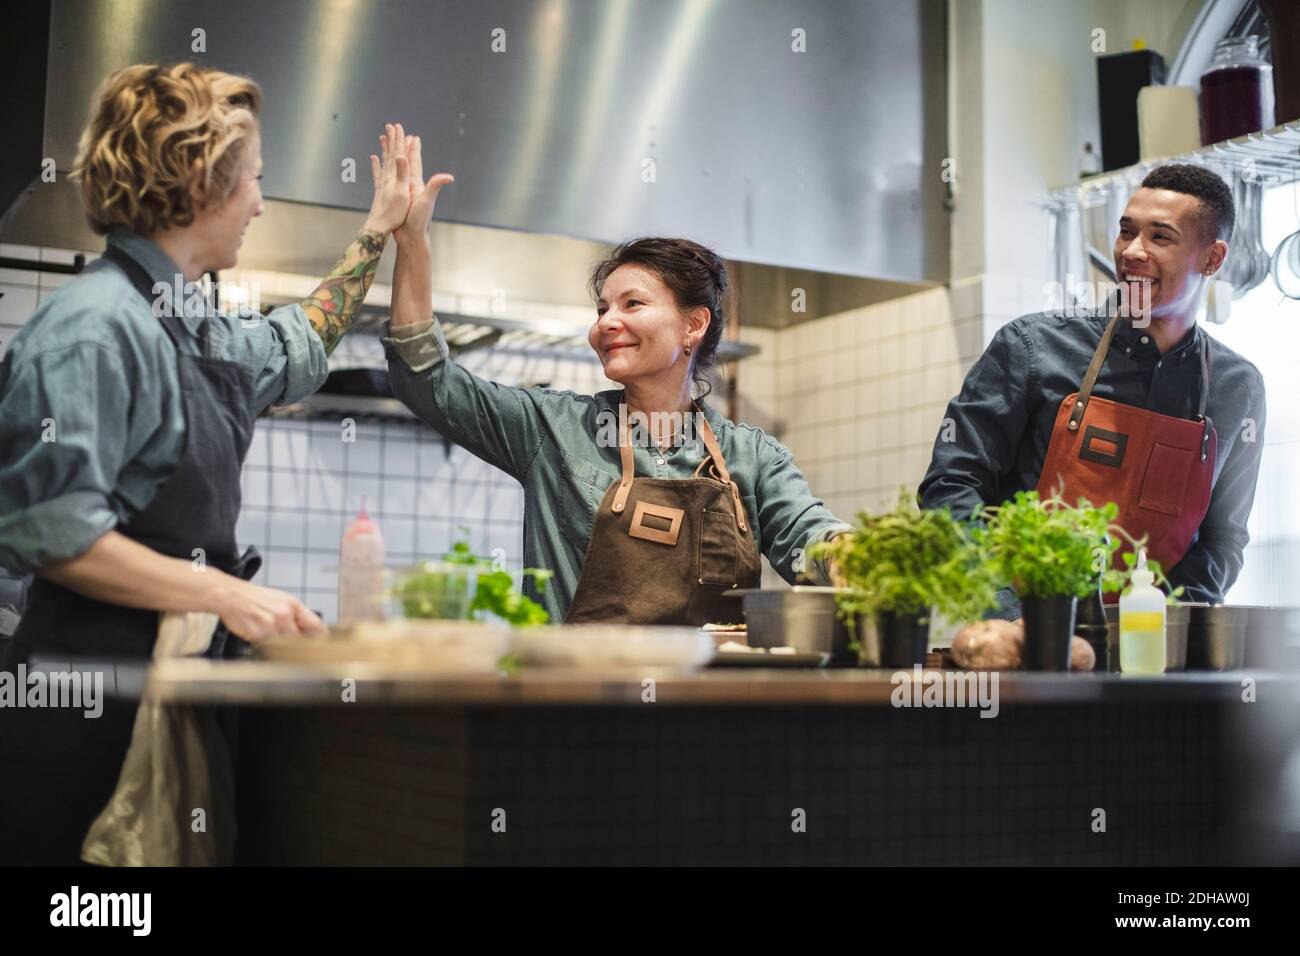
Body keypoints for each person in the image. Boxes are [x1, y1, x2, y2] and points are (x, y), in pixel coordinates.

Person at [0, 63, 412, 864]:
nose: (260, 201)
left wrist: (376, 231)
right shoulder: (93, 329)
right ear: (200, 180)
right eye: (254, 179)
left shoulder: (190, 321)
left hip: (166, 684)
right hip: (88, 703)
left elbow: (298, 346)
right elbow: (51, 530)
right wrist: (226, 593)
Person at [380, 128, 850, 625]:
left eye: (633, 305)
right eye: (602, 308)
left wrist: (855, 553)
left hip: (710, 696)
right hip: (581, 695)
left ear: (693, 325)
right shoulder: (551, 428)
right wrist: (412, 244)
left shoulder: (752, 457)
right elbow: (424, 380)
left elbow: (809, 539)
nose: (606, 322)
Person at [920, 163, 1267, 615]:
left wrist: (1169, 626)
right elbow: (951, 488)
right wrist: (1009, 617)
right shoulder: (1030, 347)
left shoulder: (1238, 388)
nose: (1131, 252)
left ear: (1212, 259)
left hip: (1154, 660)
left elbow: (1225, 538)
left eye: (1160, 237)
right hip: (1023, 646)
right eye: (1126, 231)